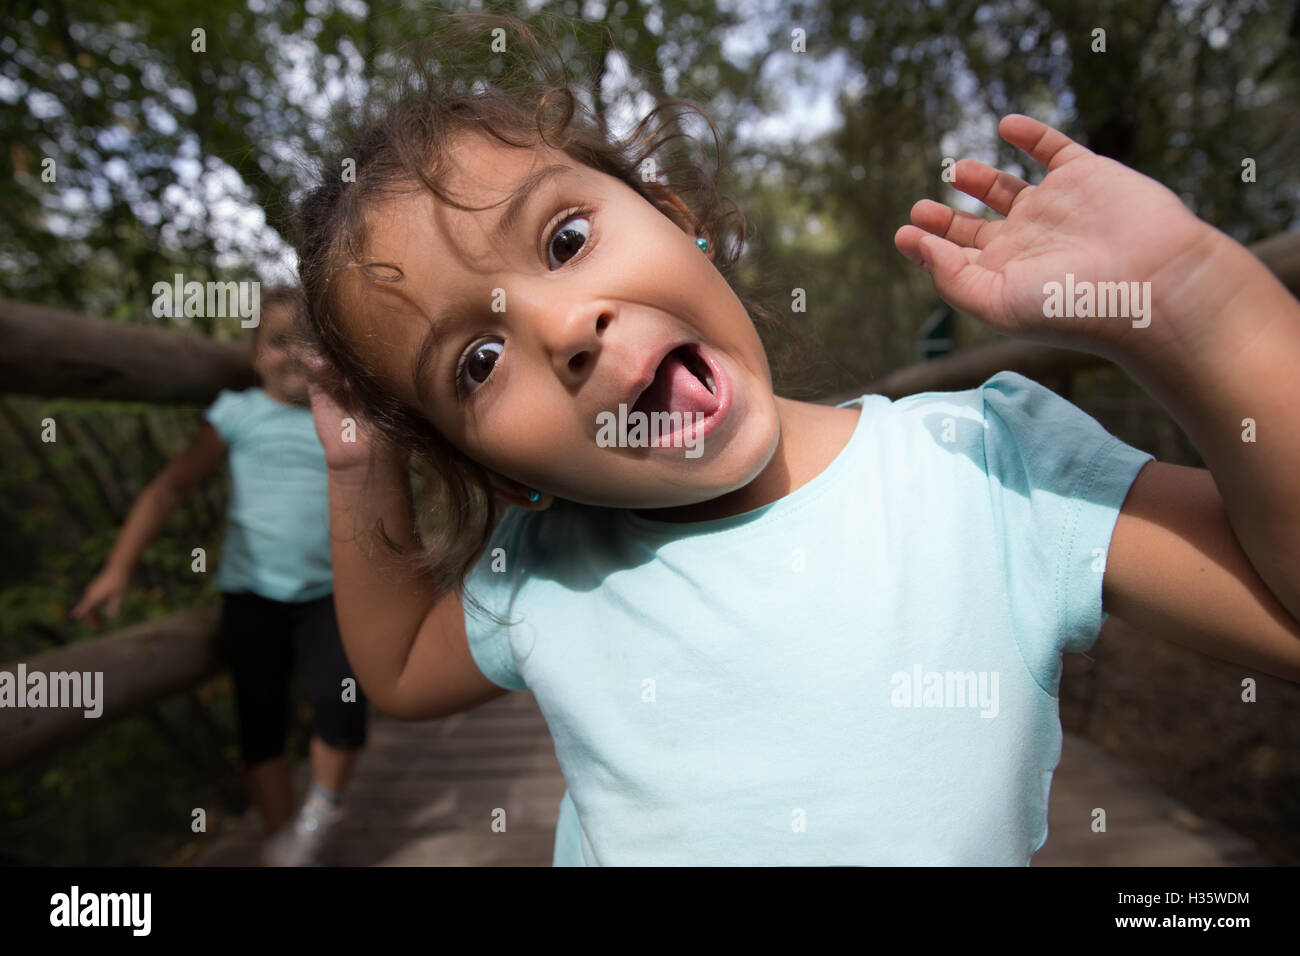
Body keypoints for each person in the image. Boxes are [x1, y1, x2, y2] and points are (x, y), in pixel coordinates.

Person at [292, 15, 1300, 864]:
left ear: (678, 220)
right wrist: (356, 459)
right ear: (498, 475)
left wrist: (1194, 303)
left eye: (563, 240)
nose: (561, 327)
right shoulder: (550, 576)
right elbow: (397, 668)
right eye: (474, 362)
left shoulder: (984, 471)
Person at [72, 285, 368, 867]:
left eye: (311, 343)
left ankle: (317, 813)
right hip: (251, 595)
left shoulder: (344, 417)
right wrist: (117, 568)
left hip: (330, 596)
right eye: (279, 341)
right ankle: (286, 846)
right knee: (261, 725)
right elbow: (170, 488)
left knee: (344, 711)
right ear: (255, 354)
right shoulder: (236, 414)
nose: (294, 354)